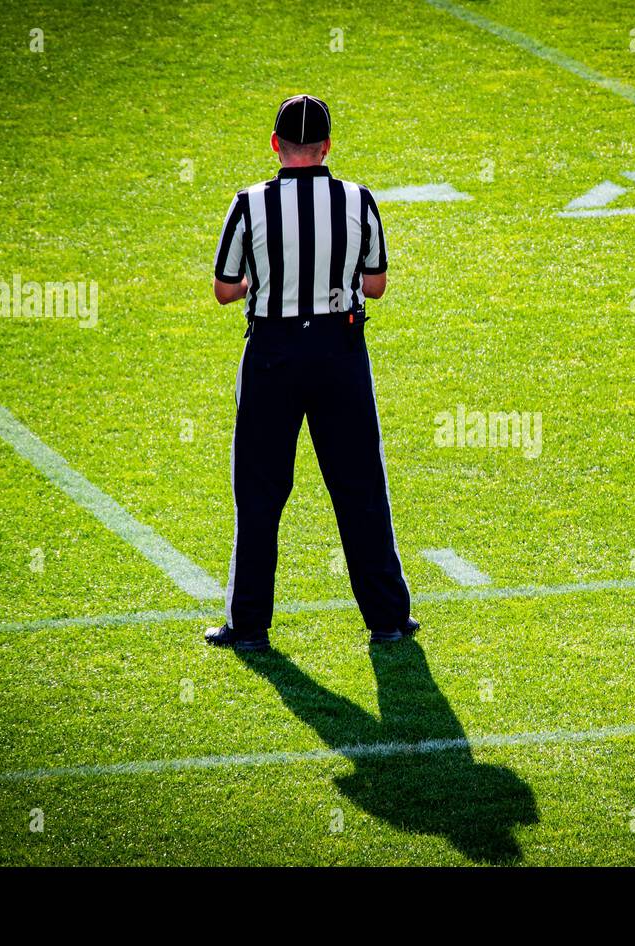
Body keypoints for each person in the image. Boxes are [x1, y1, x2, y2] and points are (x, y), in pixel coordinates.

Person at [203, 94, 418, 652]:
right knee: (360, 487)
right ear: (327, 146)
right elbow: (374, 285)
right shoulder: (358, 199)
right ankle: (389, 619)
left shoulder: (248, 203)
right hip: (339, 354)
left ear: (276, 145)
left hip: (272, 355)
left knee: (259, 492)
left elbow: (226, 291)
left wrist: (266, 284)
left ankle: (248, 626)